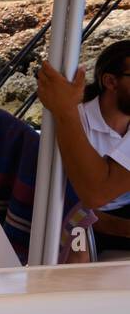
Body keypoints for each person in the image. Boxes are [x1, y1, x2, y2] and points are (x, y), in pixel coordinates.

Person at [34, 42, 130, 255]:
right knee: (78, 236)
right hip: (81, 215)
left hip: (121, 213)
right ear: (111, 81)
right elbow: (82, 199)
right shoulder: (75, 121)